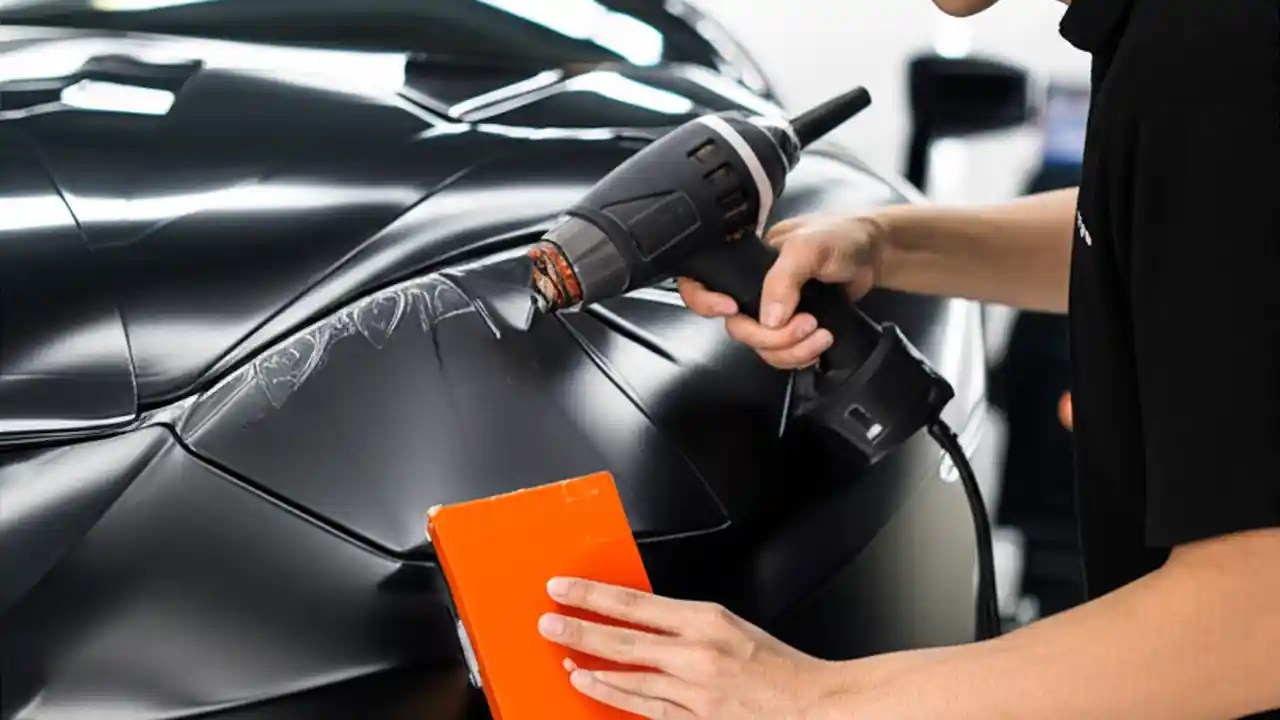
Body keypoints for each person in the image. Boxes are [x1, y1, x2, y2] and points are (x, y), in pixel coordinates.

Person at [536, 0, 1280, 716]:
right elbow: (1160, 231)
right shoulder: (1181, 44)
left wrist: (806, 701)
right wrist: (888, 243)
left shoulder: (1207, 66)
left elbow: (1258, 614)